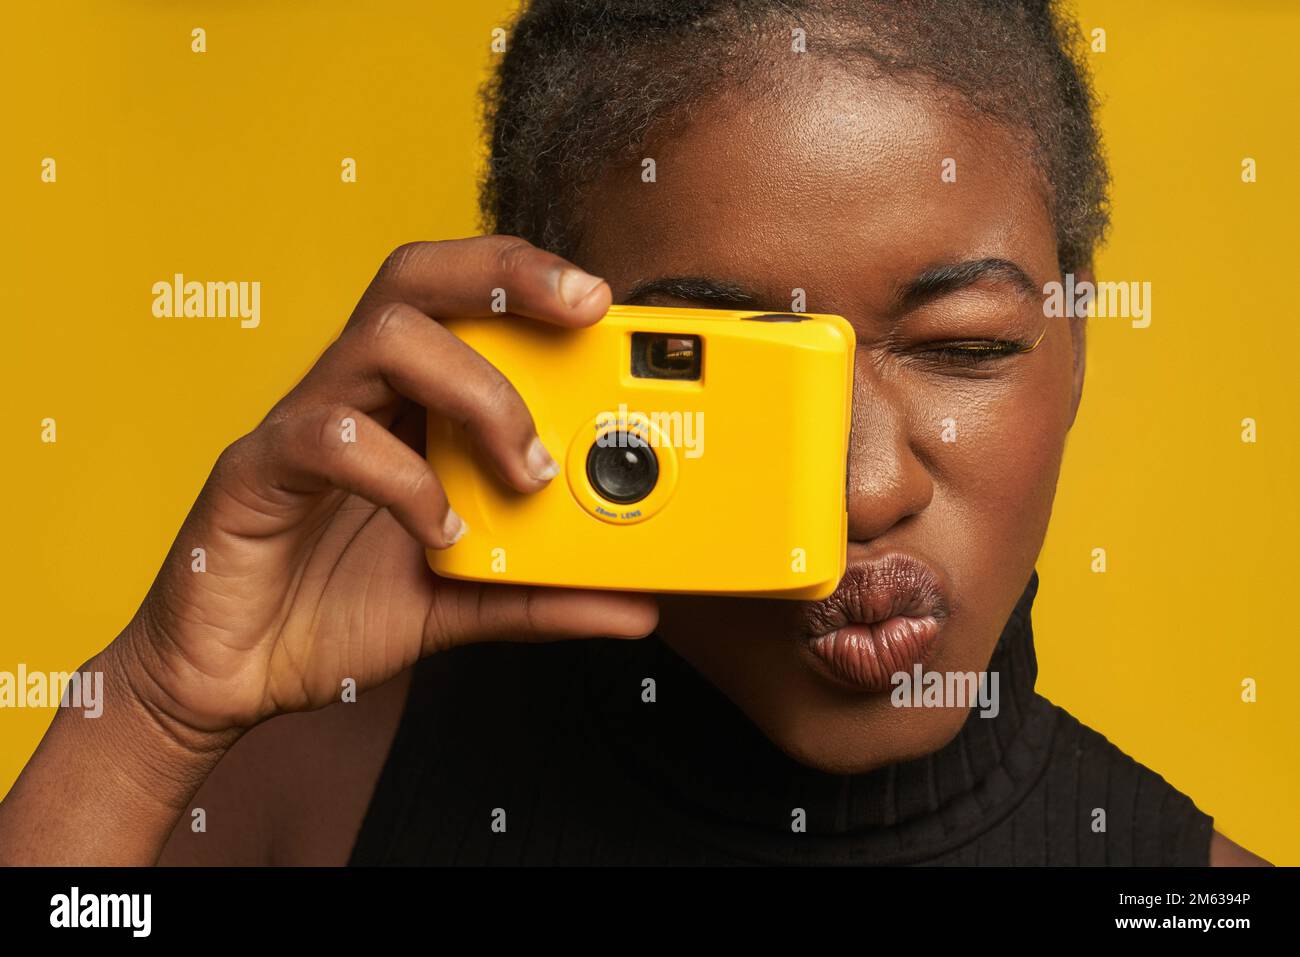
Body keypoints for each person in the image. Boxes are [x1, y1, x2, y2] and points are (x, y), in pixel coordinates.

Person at [0, 0, 1271, 866]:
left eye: (965, 348)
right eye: (711, 368)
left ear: (1080, 344)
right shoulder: (325, 796)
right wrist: (153, 715)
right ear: (538, 365)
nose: (862, 489)